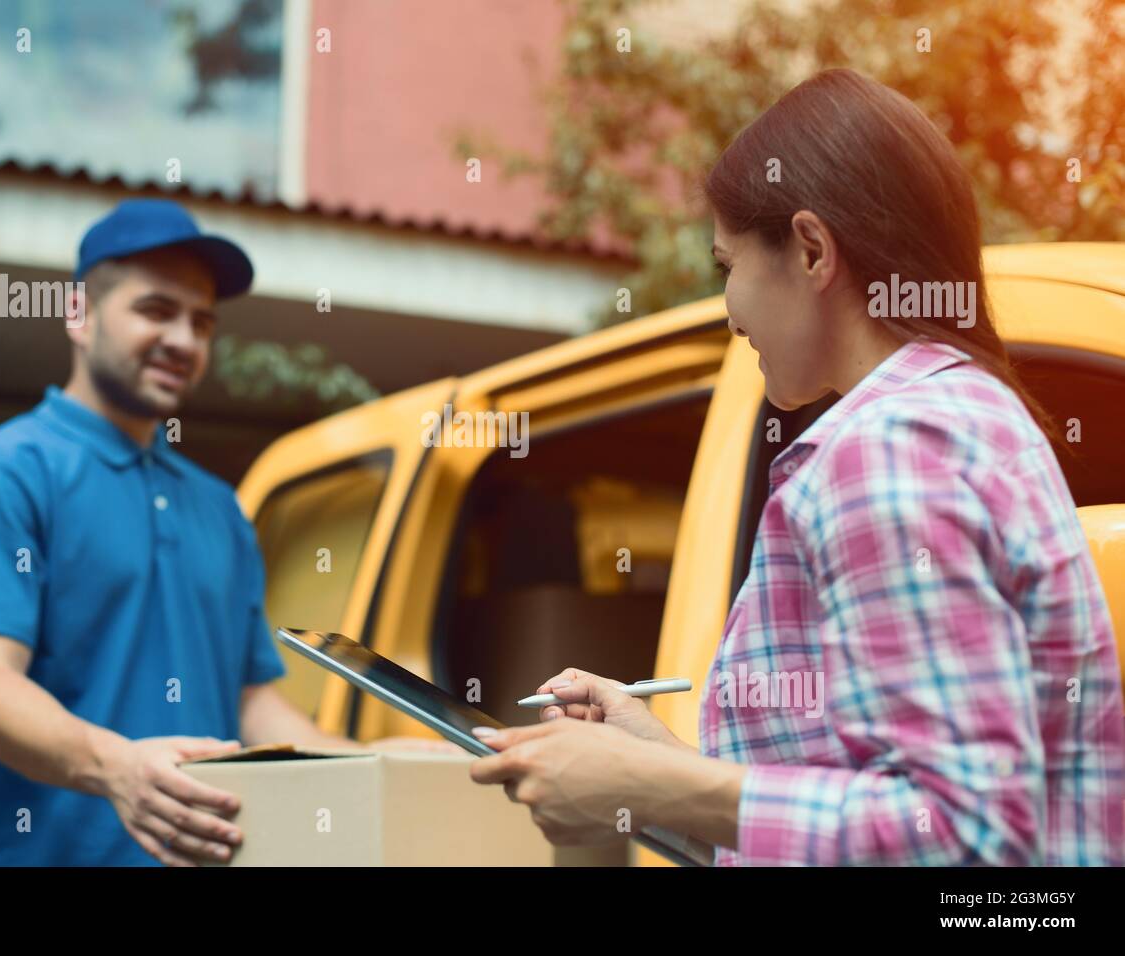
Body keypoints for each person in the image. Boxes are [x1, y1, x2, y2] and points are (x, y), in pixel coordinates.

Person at [469, 69, 1125, 866]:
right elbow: (874, 798)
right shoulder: (963, 414)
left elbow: (962, 834)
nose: (729, 308)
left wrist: (650, 786)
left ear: (812, 249)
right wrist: (654, 762)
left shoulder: (889, 448)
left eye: (726, 266)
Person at [0, 198, 443, 867]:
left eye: (201, 322)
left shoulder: (217, 507)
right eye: (155, 310)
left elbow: (252, 705)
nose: (185, 342)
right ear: (79, 315)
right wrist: (117, 768)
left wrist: (371, 762)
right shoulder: (4, 474)